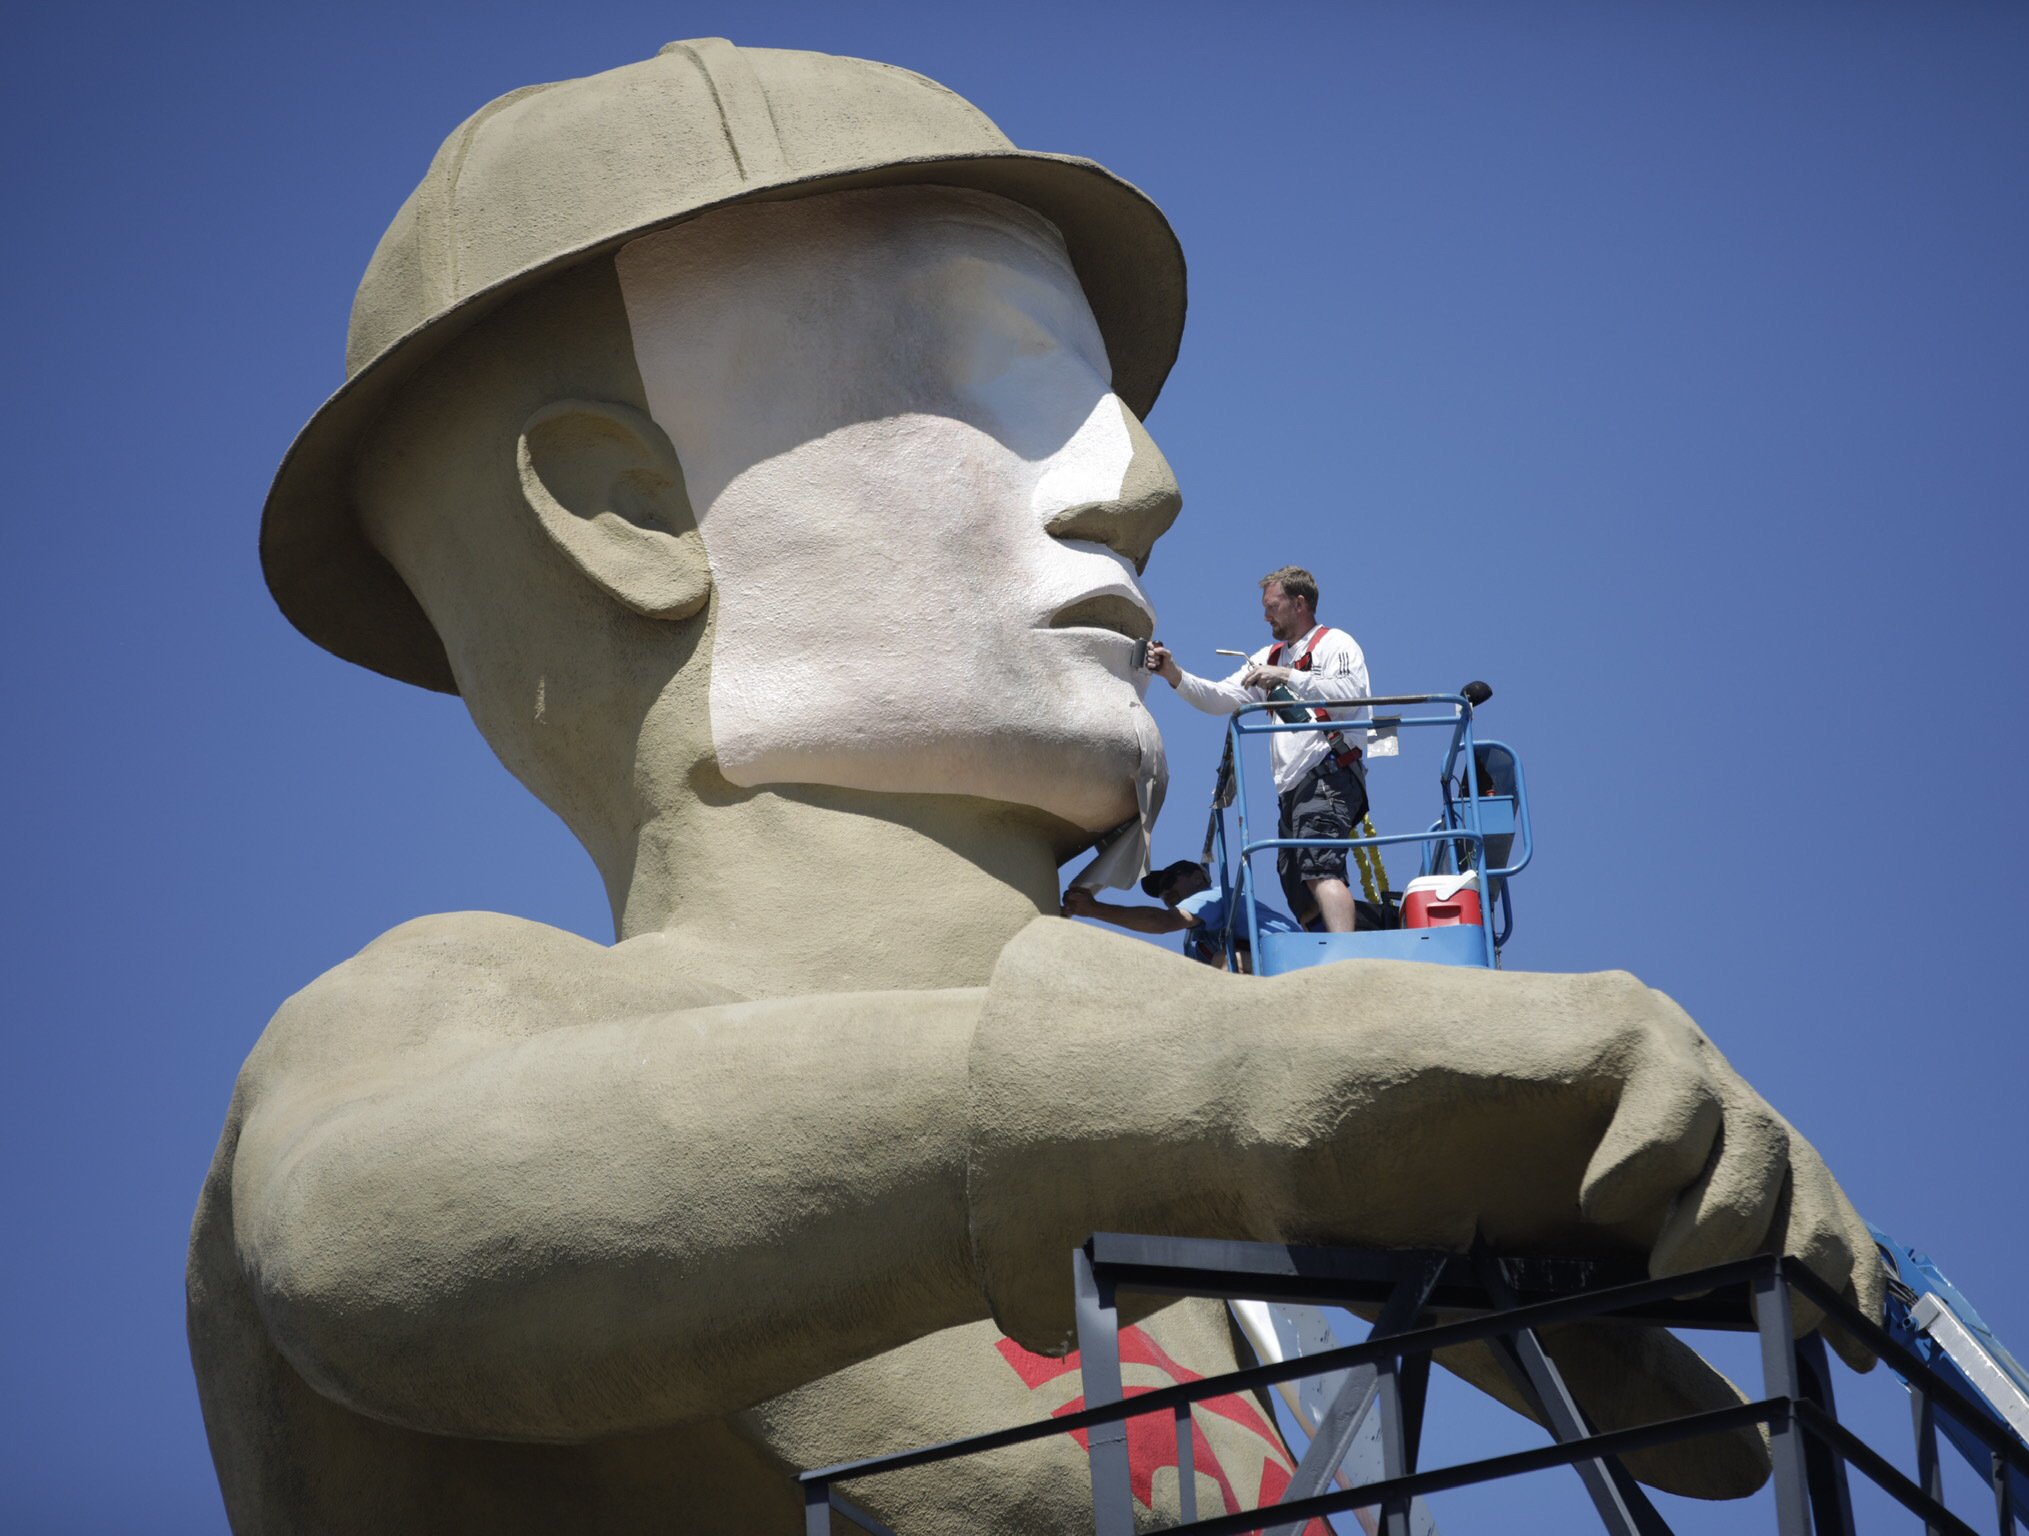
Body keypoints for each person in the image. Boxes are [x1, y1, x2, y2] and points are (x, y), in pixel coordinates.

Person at [189, 39, 1882, 1536]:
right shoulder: (471, 1017)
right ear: (625, 512)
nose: (1139, 483)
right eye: (995, 382)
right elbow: (370, 1245)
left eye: (1105, 400)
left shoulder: (1228, 1210)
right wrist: (1231, 1094)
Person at [1148, 567, 1371, 932]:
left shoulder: (1336, 644)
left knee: (1320, 868)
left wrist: (1287, 677)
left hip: (1328, 774)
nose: (1264, 615)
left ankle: (1345, 958)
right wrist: (1174, 673)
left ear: (1299, 603)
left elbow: (1351, 697)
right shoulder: (1269, 656)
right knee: (1298, 887)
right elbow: (1221, 698)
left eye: (1272, 606)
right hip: (1293, 790)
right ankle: (1323, 950)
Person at [1061, 858, 1298, 970]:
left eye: (1169, 881)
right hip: (1270, 963)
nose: (1164, 892)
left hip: (1293, 956)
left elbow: (1162, 921)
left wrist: (1094, 909)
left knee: (1224, 961)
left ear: (1198, 877)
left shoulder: (1214, 896)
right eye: (1160, 892)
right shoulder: (1197, 941)